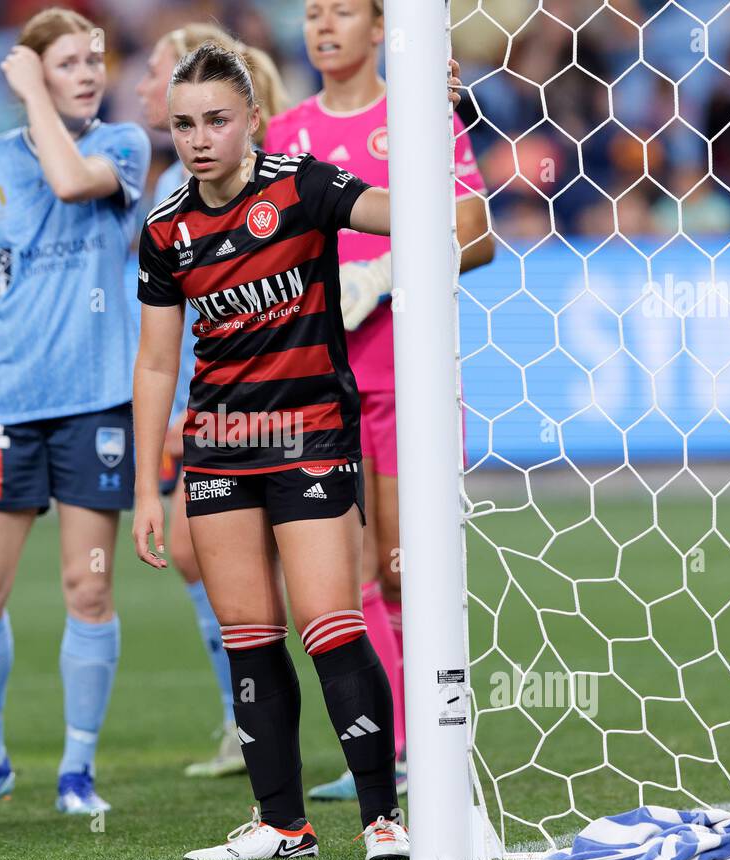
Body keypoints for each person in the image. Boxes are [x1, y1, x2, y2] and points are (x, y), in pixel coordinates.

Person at [133, 41, 456, 860]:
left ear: (251, 121)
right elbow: (158, 362)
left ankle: (384, 819)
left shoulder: (303, 185)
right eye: (183, 125)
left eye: (216, 120)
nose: (199, 138)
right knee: (247, 635)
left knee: (330, 624)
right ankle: (283, 826)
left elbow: (413, 211)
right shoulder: (166, 231)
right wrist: (146, 486)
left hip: (309, 436)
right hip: (218, 451)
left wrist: (444, 121)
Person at [0, 6, 150, 818]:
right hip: (3, 408)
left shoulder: (123, 147)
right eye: (69, 62)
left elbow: (67, 179)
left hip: (95, 406)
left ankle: (76, 772)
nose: (89, 73)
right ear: (32, 74)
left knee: (86, 593)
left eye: (95, 60)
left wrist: (35, 103)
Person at [264, 0, 493, 802]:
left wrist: (392, 270)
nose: (323, 26)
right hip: (319, 378)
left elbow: (479, 229)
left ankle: (435, 737)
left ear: (378, 28)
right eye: (312, 13)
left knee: (405, 567)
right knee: (348, 568)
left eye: (342, 11)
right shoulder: (284, 131)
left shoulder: (422, 112)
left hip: (406, 374)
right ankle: (395, 747)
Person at [134, 22, 288, 780]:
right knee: (204, 555)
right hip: (210, 400)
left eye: (155, 73)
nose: (142, 87)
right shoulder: (169, 193)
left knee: (344, 573)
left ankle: (385, 744)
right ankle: (246, 720)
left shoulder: (259, 174)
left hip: (280, 395)